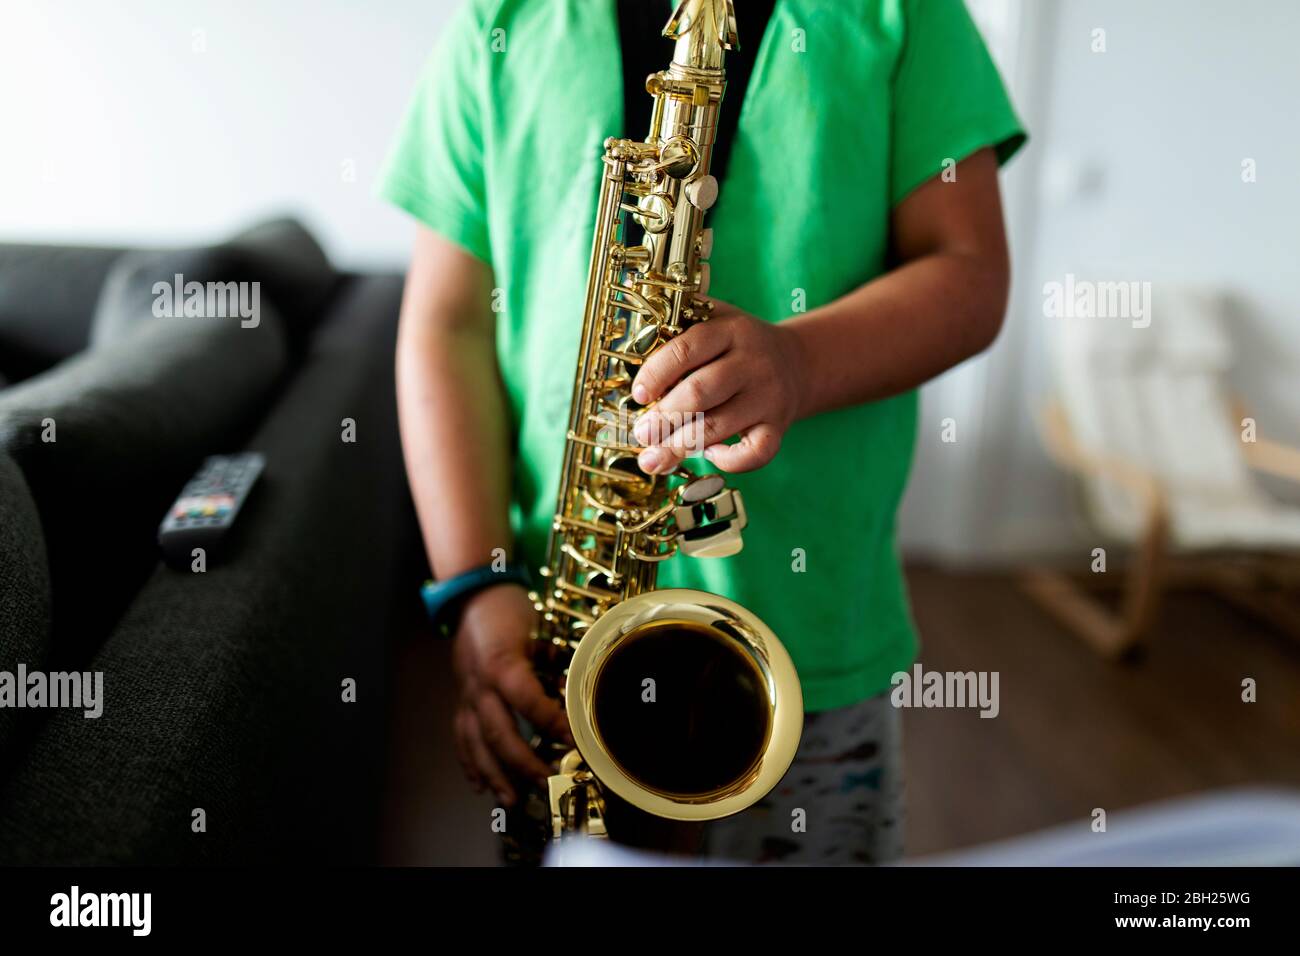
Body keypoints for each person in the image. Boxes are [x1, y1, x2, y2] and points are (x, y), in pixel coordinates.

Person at [379, 0, 1025, 865]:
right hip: (557, 633)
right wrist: (473, 584)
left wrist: (800, 362)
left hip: (809, 645)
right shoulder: (501, 23)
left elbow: (971, 274)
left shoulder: (904, 13)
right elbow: (445, 324)